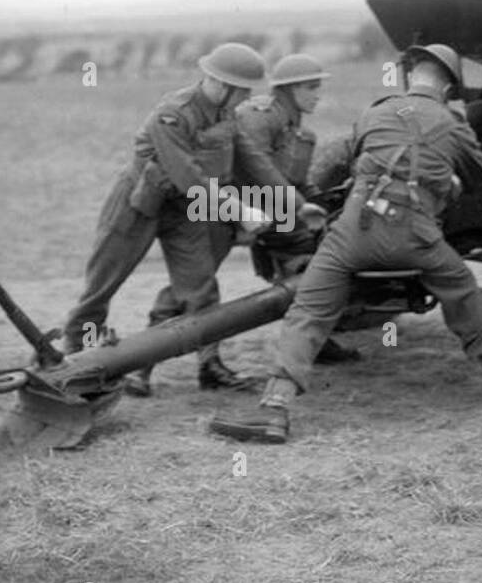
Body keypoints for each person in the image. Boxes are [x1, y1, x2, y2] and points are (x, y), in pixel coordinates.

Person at [209, 43, 482, 445]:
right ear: (449, 88)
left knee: (309, 310)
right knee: (462, 289)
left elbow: (348, 161)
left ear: (408, 77)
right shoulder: (453, 122)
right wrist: (445, 181)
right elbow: (477, 176)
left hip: (353, 231)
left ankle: (275, 409)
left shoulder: (376, 111)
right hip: (415, 234)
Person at [125, 53, 353, 398]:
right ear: (288, 90)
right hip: (221, 209)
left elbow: (292, 183)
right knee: (194, 286)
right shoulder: (256, 118)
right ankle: (141, 366)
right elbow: (241, 173)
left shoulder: (303, 135)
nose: (318, 94)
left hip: (264, 214)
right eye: (311, 87)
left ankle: (311, 340)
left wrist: (322, 205)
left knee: (310, 262)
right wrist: (262, 215)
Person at [60, 42, 270, 391]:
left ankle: (210, 366)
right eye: (243, 90)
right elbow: (187, 175)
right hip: (138, 201)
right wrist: (240, 210)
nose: (246, 97)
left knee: (201, 288)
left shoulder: (226, 114)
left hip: (184, 209)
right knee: (102, 285)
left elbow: (251, 158)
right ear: (220, 84)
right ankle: (76, 360)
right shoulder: (172, 113)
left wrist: (291, 205)